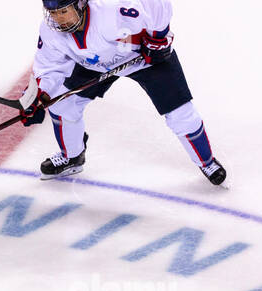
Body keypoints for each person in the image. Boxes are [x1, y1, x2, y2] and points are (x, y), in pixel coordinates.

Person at [18, 0, 226, 184]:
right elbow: (48, 69)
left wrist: (159, 38)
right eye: (52, 13)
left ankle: (206, 162)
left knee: (181, 114)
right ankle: (72, 156)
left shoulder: (113, 10)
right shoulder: (50, 31)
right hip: (94, 64)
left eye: (63, 12)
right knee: (62, 105)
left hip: (143, 59)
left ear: (81, 4)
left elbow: (156, 4)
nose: (57, 20)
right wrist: (36, 98)